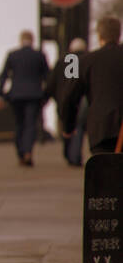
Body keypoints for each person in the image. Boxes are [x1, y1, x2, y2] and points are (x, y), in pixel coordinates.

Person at [63, 16, 123, 157]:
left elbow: (69, 96)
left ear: (99, 35)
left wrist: (68, 126)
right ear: (119, 34)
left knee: (104, 173)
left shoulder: (83, 61)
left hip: (101, 129)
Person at [0, 30, 49, 166]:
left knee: (19, 124)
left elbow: (4, 76)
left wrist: (0, 94)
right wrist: (47, 95)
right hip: (34, 95)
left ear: (21, 40)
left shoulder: (13, 55)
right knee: (30, 124)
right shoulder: (39, 55)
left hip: (16, 95)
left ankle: (20, 152)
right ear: (33, 40)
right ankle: (28, 152)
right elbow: (47, 77)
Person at [46, 37, 88, 166]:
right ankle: (74, 155)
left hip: (65, 99)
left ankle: (70, 154)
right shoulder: (88, 59)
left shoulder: (63, 61)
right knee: (78, 126)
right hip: (82, 99)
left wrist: (52, 97)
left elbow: (54, 83)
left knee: (67, 124)